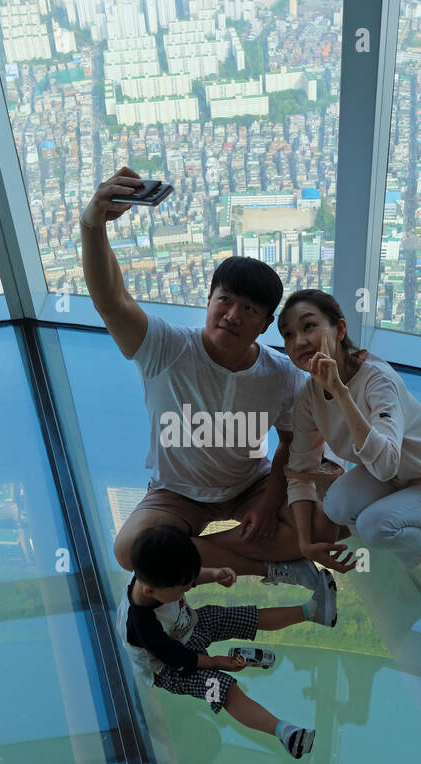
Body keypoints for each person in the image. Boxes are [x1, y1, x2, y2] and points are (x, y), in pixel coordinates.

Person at [80, 166, 345, 622]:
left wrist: (266, 501)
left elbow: (293, 441)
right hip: (177, 492)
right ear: (208, 300)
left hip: (249, 485)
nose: (231, 314)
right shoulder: (166, 349)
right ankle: (275, 567)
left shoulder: (280, 374)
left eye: (249, 309)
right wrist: (93, 226)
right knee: (130, 551)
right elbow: (111, 299)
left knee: (329, 523)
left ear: (264, 326)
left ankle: (180, 559)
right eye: (224, 300)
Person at [278, 289, 421, 608]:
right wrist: (305, 543)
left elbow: (386, 465)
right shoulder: (310, 396)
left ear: (339, 330)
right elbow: (301, 467)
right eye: (288, 335)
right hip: (387, 479)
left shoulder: (378, 380)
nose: (298, 342)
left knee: (373, 526)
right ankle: (395, 525)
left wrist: (339, 391)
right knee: (335, 505)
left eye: (309, 327)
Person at [118, 526, 328, 758]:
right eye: (184, 587)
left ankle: (314, 612)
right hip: (170, 671)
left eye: (190, 581)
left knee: (238, 617)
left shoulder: (159, 571)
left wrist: (214, 574)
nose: (189, 587)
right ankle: (285, 734)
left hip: (187, 628)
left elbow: (188, 575)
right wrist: (216, 661)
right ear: (150, 591)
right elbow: (176, 657)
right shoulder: (141, 625)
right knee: (221, 690)